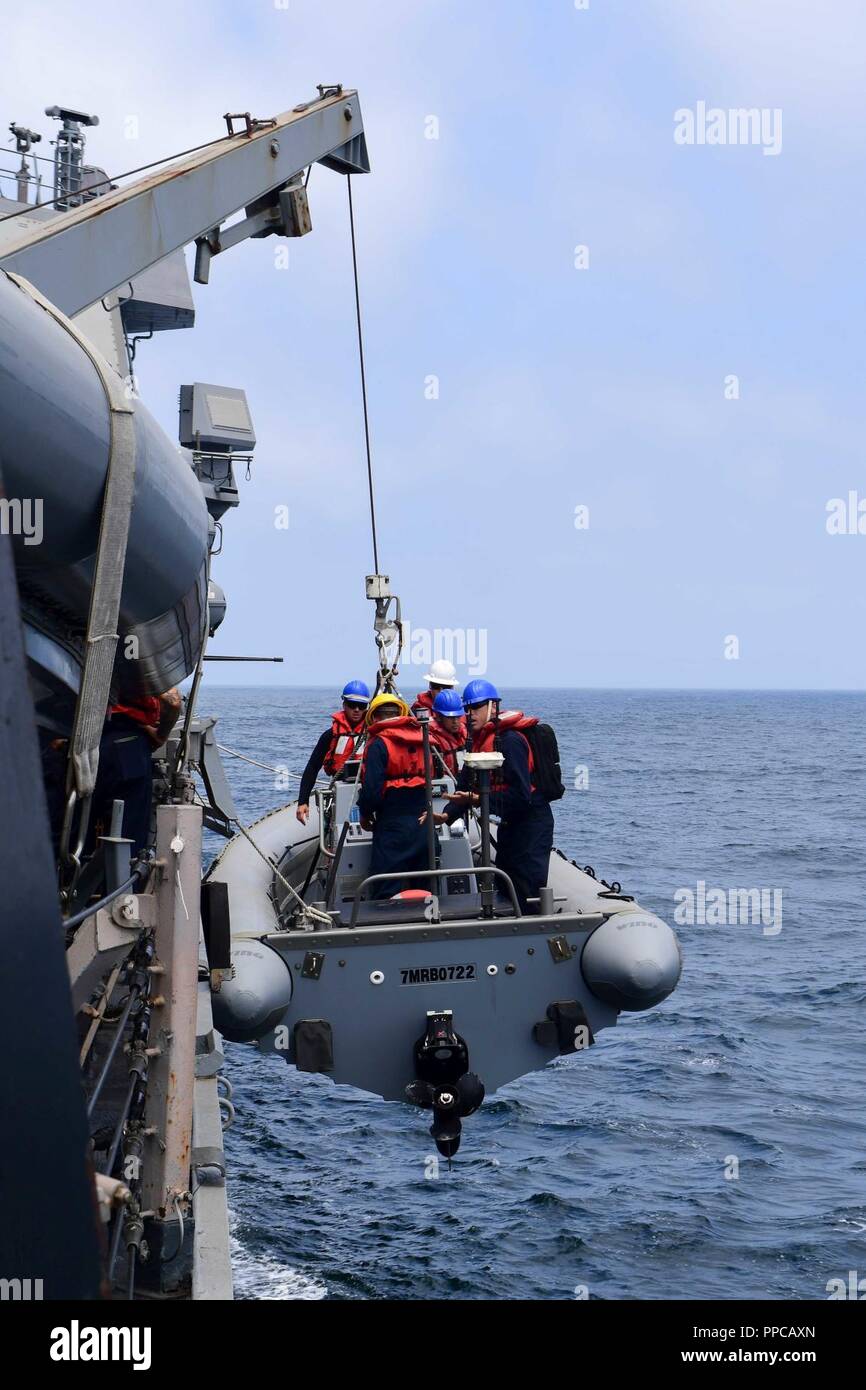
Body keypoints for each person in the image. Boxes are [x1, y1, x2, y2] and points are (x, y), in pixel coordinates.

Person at [444, 678, 554, 914]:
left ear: (493, 706)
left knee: (526, 889)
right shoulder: (477, 742)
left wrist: (480, 800)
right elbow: (464, 786)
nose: (469, 714)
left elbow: (520, 796)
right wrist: (445, 817)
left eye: (476, 707)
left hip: (531, 825)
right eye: (467, 708)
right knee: (505, 880)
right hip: (509, 824)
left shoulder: (511, 742)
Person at [91, 688, 182, 855]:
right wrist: (161, 736)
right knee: (127, 839)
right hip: (127, 746)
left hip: (81, 741)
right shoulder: (139, 665)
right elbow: (173, 702)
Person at [357, 692, 430, 898]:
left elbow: (371, 791)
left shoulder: (379, 744)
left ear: (374, 717)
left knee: (386, 887)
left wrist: (365, 814)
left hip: (392, 825)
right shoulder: (422, 738)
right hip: (424, 823)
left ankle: (385, 924)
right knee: (424, 885)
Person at [297, 680, 370, 824]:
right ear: (344, 705)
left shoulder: (373, 735)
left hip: (368, 791)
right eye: (352, 705)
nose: (356, 710)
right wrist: (303, 801)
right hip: (338, 789)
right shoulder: (331, 736)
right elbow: (312, 767)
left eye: (361, 706)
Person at [428, 687, 467, 778]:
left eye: (458, 716)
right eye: (450, 717)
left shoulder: (464, 734)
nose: (455, 721)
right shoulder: (431, 740)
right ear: (438, 716)